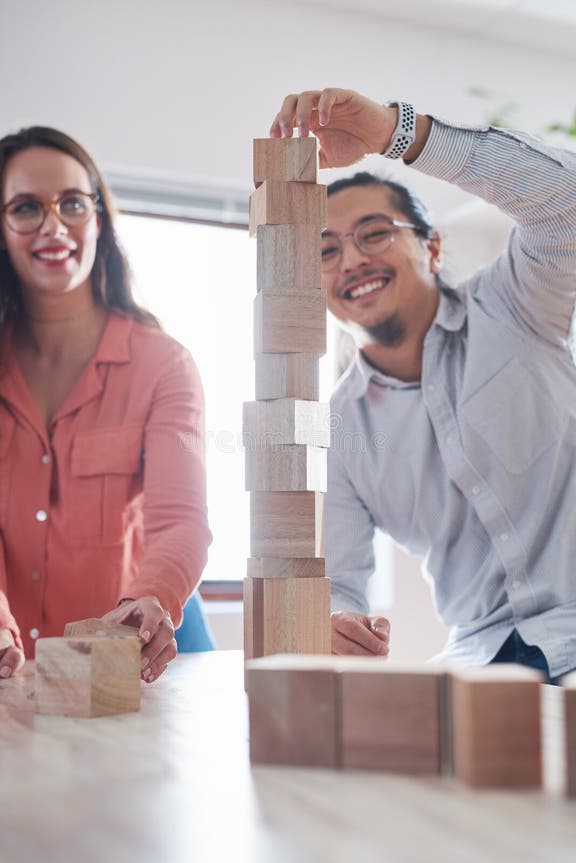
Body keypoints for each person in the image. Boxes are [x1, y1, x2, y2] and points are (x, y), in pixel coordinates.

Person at [270, 89, 576, 681]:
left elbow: (566, 203)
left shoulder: (518, 306)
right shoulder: (337, 431)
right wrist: (338, 623)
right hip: (481, 662)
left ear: (432, 247)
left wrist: (397, 131)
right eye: (325, 251)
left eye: (374, 233)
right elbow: (341, 582)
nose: (350, 260)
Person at [0, 126, 212, 682]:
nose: (53, 224)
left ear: (98, 218)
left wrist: (151, 598)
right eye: (25, 207)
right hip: (12, 676)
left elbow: (181, 521)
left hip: (129, 671)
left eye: (72, 202)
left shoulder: (164, 365)